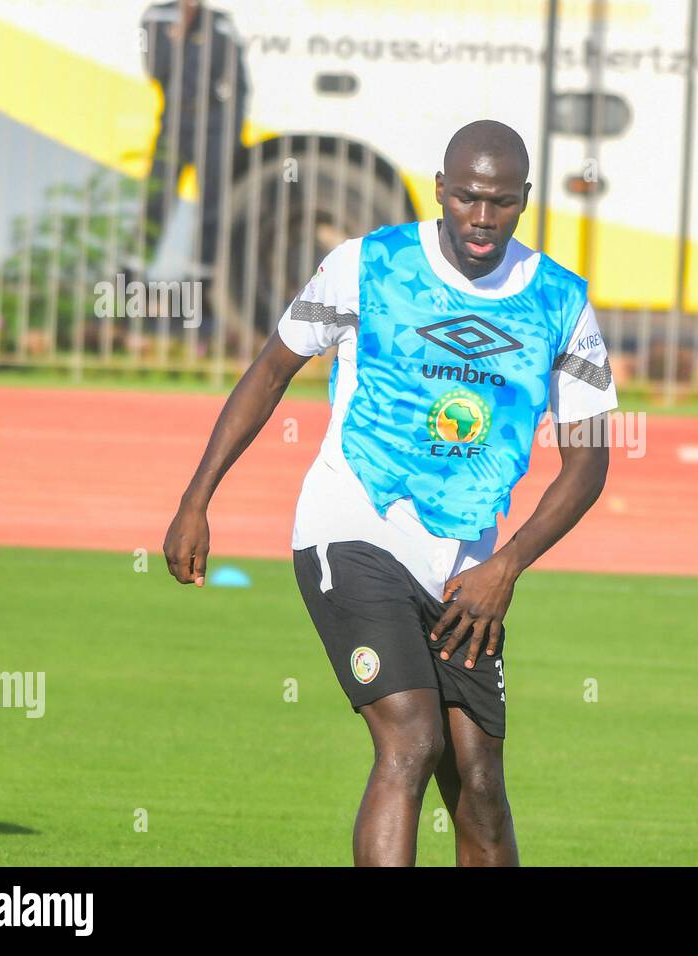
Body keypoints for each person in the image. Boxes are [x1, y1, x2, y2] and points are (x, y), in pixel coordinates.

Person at [163, 120, 618, 866]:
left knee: (480, 788)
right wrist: (196, 499)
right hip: (353, 525)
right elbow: (270, 372)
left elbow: (589, 464)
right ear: (440, 189)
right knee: (410, 738)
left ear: (524, 201)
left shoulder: (561, 303)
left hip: (468, 570)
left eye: (500, 202)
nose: (480, 216)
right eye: (466, 197)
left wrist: (507, 565)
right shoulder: (367, 265)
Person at [140, 0, 249, 273]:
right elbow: (156, 70)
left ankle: (202, 280)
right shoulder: (157, 16)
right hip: (175, 122)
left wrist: (231, 134)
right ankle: (131, 276)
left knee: (212, 206)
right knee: (157, 199)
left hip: (213, 124)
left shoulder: (220, 22)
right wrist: (182, 27)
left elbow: (238, 83)